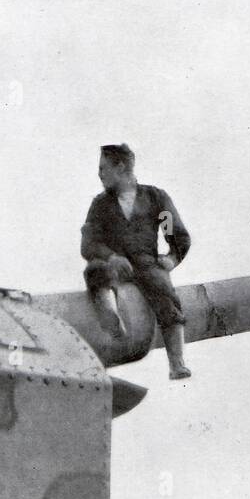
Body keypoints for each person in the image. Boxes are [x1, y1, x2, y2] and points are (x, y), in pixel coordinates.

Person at [81, 143, 192, 378]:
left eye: (103, 168)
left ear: (120, 167)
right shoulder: (100, 205)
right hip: (113, 264)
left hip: (146, 263)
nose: (99, 174)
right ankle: (109, 312)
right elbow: (89, 243)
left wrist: (171, 259)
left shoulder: (155, 198)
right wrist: (111, 256)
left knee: (164, 291)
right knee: (96, 271)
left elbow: (177, 235)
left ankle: (177, 362)